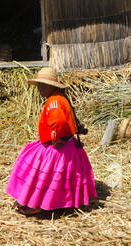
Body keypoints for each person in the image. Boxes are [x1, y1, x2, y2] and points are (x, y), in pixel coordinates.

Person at [5, 68, 96, 215]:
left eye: (43, 86)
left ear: (52, 86)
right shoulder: (59, 98)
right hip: (68, 143)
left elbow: (58, 121)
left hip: (60, 144)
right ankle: (63, 203)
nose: (40, 89)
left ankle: (37, 204)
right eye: (39, 85)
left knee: (43, 172)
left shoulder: (54, 101)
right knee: (60, 176)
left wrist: (55, 139)